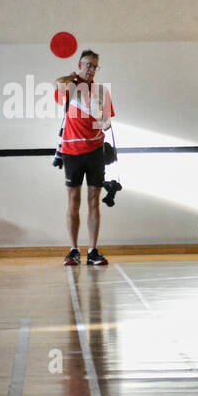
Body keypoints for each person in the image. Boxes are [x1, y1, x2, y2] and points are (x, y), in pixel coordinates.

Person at [55, 49, 115, 267]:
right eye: (88, 65)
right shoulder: (70, 87)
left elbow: (108, 121)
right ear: (80, 65)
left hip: (95, 151)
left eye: (95, 66)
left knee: (93, 201)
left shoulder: (101, 92)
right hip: (71, 152)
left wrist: (102, 124)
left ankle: (92, 251)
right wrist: (72, 77)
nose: (91, 69)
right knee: (73, 201)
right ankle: (73, 251)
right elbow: (58, 83)